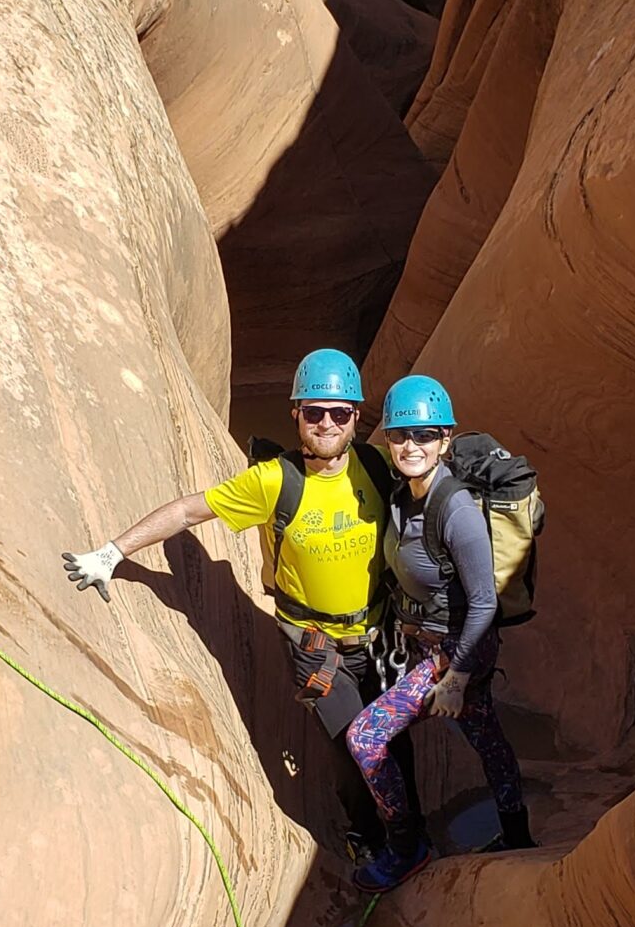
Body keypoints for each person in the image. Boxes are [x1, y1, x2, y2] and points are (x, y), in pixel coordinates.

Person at [60, 347, 417, 857]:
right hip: (317, 648)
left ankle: (412, 831)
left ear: (357, 418)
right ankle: (366, 835)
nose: (326, 423)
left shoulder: (379, 467)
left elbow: (432, 482)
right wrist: (113, 553)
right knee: (349, 750)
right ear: (296, 414)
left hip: (381, 638)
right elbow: (187, 511)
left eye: (339, 413)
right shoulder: (274, 480)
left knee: (395, 741)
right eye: (314, 411)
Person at [345, 373, 532, 892]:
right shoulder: (405, 496)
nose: (411, 445)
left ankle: (407, 848)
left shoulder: (455, 509)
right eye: (401, 435)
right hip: (432, 646)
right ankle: (517, 834)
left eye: (425, 436)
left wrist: (455, 678)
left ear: (445, 440)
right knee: (485, 734)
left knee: (366, 738)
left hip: (456, 653)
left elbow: (484, 604)